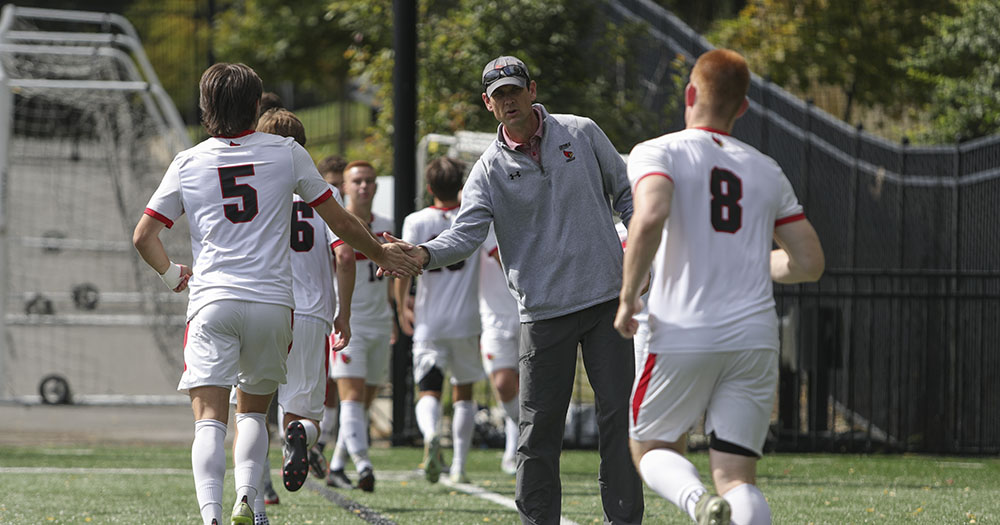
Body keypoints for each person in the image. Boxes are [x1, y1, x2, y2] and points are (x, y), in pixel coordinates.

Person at [132, 62, 420, 525]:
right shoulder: (287, 153)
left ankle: (211, 518)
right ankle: (248, 501)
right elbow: (341, 223)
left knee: (209, 419)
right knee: (253, 414)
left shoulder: (188, 161)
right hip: (272, 305)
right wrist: (382, 255)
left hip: (213, 301)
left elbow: (144, 236)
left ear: (205, 108)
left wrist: (173, 276)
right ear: (255, 104)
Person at [385, 56, 643, 524]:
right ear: (488, 104)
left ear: (532, 90)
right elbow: (464, 235)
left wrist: (639, 259)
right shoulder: (485, 170)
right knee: (537, 433)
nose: (508, 100)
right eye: (498, 95)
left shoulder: (581, 132)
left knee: (618, 422)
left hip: (608, 301)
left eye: (514, 90)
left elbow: (626, 193)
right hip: (542, 315)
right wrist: (422, 255)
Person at [614, 49, 825, 525]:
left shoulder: (658, 150)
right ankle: (722, 501)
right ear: (742, 107)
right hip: (754, 338)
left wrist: (628, 298)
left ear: (690, 94)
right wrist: (754, 262)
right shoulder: (767, 168)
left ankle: (698, 504)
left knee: (649, 447)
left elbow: (648, 216)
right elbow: (809, 263)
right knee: (737, 476)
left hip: (681, 330)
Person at [394, 156, 486, 485]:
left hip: (430, 320)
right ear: (460, 184)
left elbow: (404, 266)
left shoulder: (416, 221)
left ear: (429, 187)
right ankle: (460, 466)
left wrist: (402, 304)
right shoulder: (472, 216)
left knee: (428, 391)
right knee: (464, 392)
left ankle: (431, 434)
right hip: (467, 320)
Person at [325, 160, 397, 492]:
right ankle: (365, 466)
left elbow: (393, 275)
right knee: (351, 398)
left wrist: (395, 313)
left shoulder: (386, 224)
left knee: (364, 402)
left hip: (380, 322)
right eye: (358, 182)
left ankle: (337, 465)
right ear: (345, 187)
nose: (364, 187)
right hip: (348, 322)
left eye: (369, 181)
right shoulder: (336, 223)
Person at [314, 154, 349, 464]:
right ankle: (319, 442)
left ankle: (323, 444)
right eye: (333, 184)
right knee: (324, 382)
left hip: (343, 308)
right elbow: (344, 257)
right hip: (323, 307)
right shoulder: (320, 208)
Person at [478, 225, 520, 475]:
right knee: (504, 384)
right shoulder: (484, 219)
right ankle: (523, 437)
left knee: (530, 388)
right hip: (494, 318)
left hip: (534, 312)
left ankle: (515, 449)